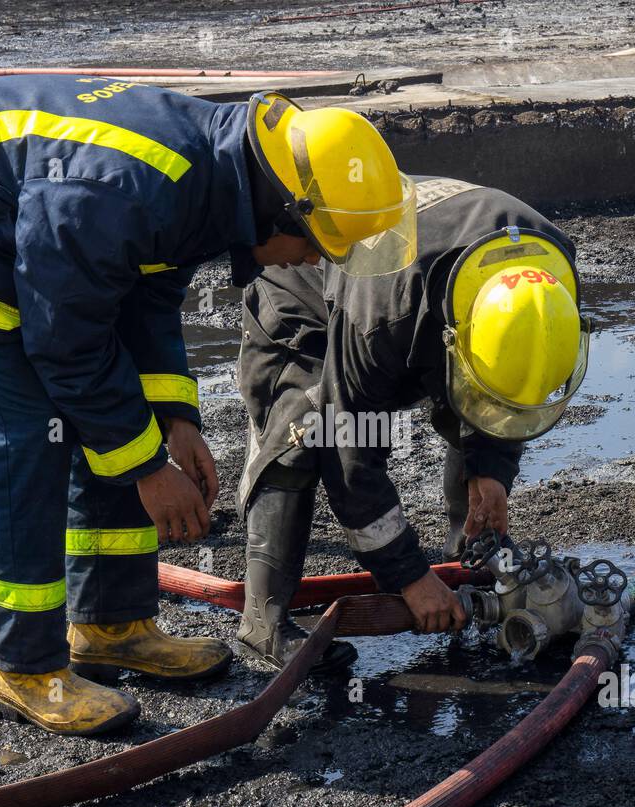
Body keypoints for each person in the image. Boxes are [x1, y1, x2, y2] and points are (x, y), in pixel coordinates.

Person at [0, 78, 416, 734]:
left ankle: (111, 627)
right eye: (313, 244)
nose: (310, 260)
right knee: (24, 434)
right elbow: (65, 339)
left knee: (118, 409)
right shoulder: (130, 187)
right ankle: (24, 667)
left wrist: (175, 421)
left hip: (22, 219)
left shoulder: (221, 179)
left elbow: (147, 296)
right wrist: (146, 469)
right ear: (283, 209)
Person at [236, 177, 590, 672]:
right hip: (310, 289)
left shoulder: (549, 270)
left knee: (474, 397)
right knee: (305, 427)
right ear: (457, 336)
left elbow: (510, 384)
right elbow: (351, 454)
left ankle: (463, 559)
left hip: (427, 292)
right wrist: (407, 578)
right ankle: (264, 622)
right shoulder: (379, 315)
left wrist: (490, 471)